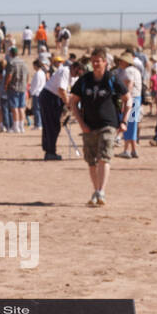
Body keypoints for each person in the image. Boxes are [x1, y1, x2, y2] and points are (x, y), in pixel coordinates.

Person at [68, 47, 128, 207]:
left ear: (105, 62)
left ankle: (101, 191)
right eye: (93, 61)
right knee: (91, 161)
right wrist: (81, 124)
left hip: (109, 124)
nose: (95, 64)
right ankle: (96, 191)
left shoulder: (112, 79)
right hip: (89, 126)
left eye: (98, 61)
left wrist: (124, 121)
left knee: (104, 157)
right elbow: (73, 102)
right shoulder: (84, 80)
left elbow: (128, 99)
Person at [37, 54, 71, 160]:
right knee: (51, 126)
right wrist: (69, 105)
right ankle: (50, 151)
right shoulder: (65, 71)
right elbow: (61, 90)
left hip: (55, 98)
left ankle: (50, 150)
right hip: (51, 97)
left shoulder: (68, 73)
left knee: (53, 126)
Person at [114, 51, 143, 159]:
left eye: (121, 60)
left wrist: (126, 99)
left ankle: (127, 150)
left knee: (126, 123)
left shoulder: (128, 71)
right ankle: (133, 150)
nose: (120, 62)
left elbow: (129, 84)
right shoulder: (136, 70)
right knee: (132, 124)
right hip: (137, 98)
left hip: (131, 98)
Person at [3, 47, 28, 133]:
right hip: (23, 87)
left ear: (11, 53)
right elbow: (27, 75)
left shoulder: (11, 63)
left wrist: (6, 85)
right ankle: (21, 127)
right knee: (21, 108)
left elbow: (9, 75)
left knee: (14, 108)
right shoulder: (24, 63)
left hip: (14, 87)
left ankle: (16, 126)